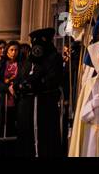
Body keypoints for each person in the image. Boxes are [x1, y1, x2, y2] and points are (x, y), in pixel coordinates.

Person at [16, 28, 64, 158]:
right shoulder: (29, 60)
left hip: (44, 105)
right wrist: (18, 86)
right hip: (27, 106)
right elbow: (21, 76)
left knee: (45, 139)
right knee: (27, 138)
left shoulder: (54, 58)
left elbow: (52, 79)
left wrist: (34, 84)